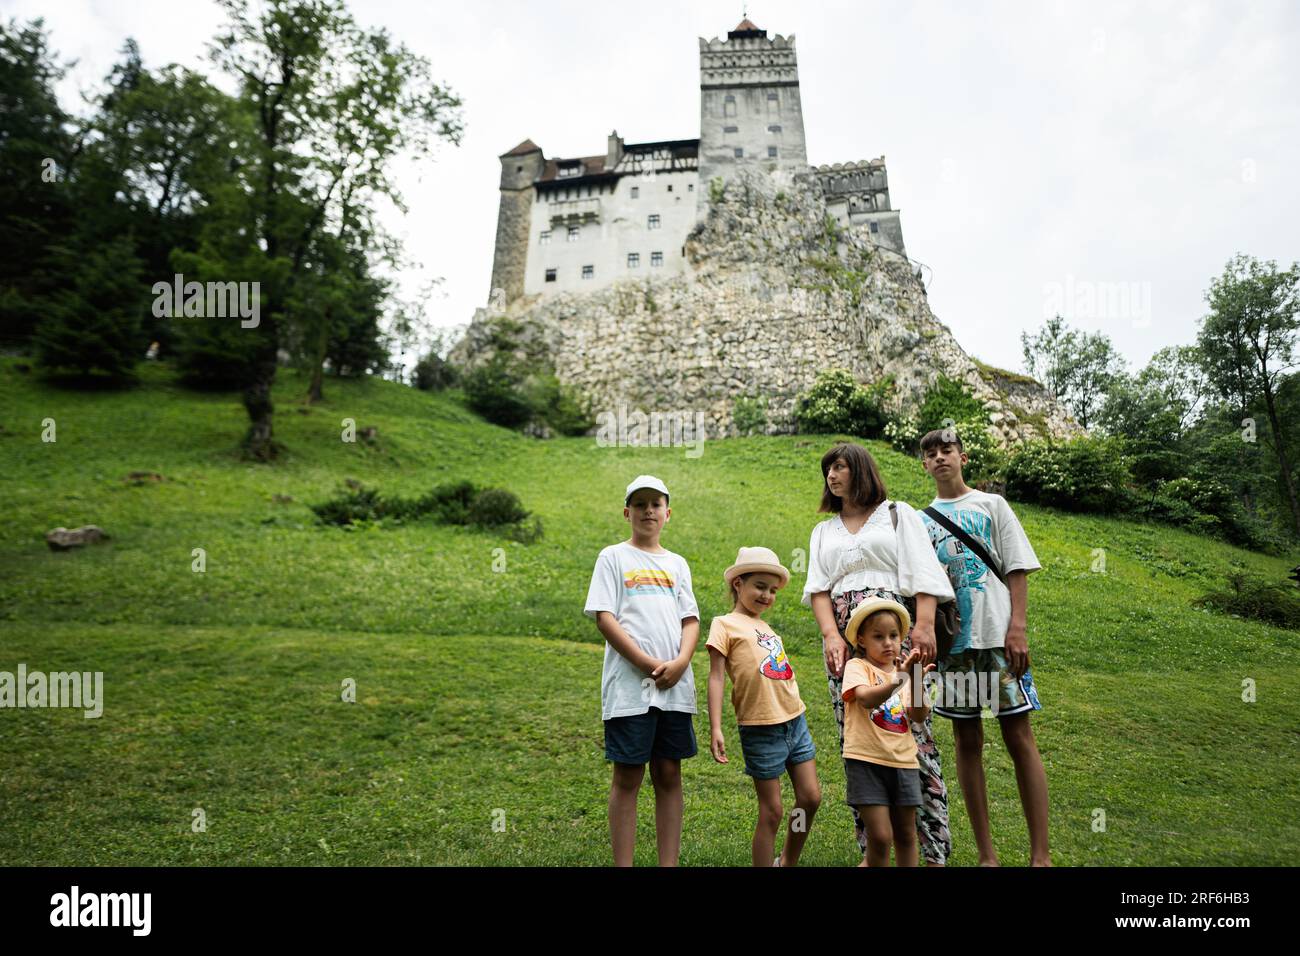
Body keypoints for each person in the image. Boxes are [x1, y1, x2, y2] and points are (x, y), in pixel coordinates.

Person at [802, 442, 956, 865]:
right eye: (827, 470)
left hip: (893, 633)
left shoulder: (896, 514)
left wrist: (924, 624)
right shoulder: (823, 531)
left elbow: (924, 571)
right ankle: (874, 849)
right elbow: (818, 590)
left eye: (839, 467)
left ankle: (931, 846)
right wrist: (832, 636)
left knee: (909, 727)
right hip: (845, 643)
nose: (831, 476)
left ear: (861, 470)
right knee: (856, 732)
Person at [919, 429, 1051, 866]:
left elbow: (1016, 567)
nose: (940, 458)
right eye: (931, 454)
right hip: (954, 647)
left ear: (963, 457)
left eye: (947, 451)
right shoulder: (921, 521)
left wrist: (1019, 626)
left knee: (1019, 736)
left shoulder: (992, 505)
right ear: (924, 464)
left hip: (997, 637)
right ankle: (987, 855)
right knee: (966, 739)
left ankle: (1040, 855)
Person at [584, 475, 699, 866]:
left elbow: (691, 620)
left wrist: (682, 661)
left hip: (674, 689)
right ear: (627, 512)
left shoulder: (677, 564)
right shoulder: (613, 557)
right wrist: (647, 664)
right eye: (640, 504)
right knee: (628, 776)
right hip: (630, 689)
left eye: (656, 504)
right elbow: (605, 617)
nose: (648, 510)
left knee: (668, 774)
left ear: (668, 513)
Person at [707, 547, 822, 866]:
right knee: (772, 811)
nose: (767, 595)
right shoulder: (724, 624)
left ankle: (787, 860)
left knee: (810, 798)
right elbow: (716, 678)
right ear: (738, 584)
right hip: (761, 729)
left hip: (795, 722)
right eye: (759, 586)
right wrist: (716, 726)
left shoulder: (768, 630)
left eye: (772, 590)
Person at [841, 597, 934, 866]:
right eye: (878, 636)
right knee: (881, 837)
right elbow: (867, 699)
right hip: (866, 761)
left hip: (903, 762)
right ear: (861, 640)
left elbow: (918, 715)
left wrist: (914, 680)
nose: (888, 643)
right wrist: (899, 679)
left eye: (894, 635)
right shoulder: (857, 667)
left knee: (906, 835)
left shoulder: (903, 672)